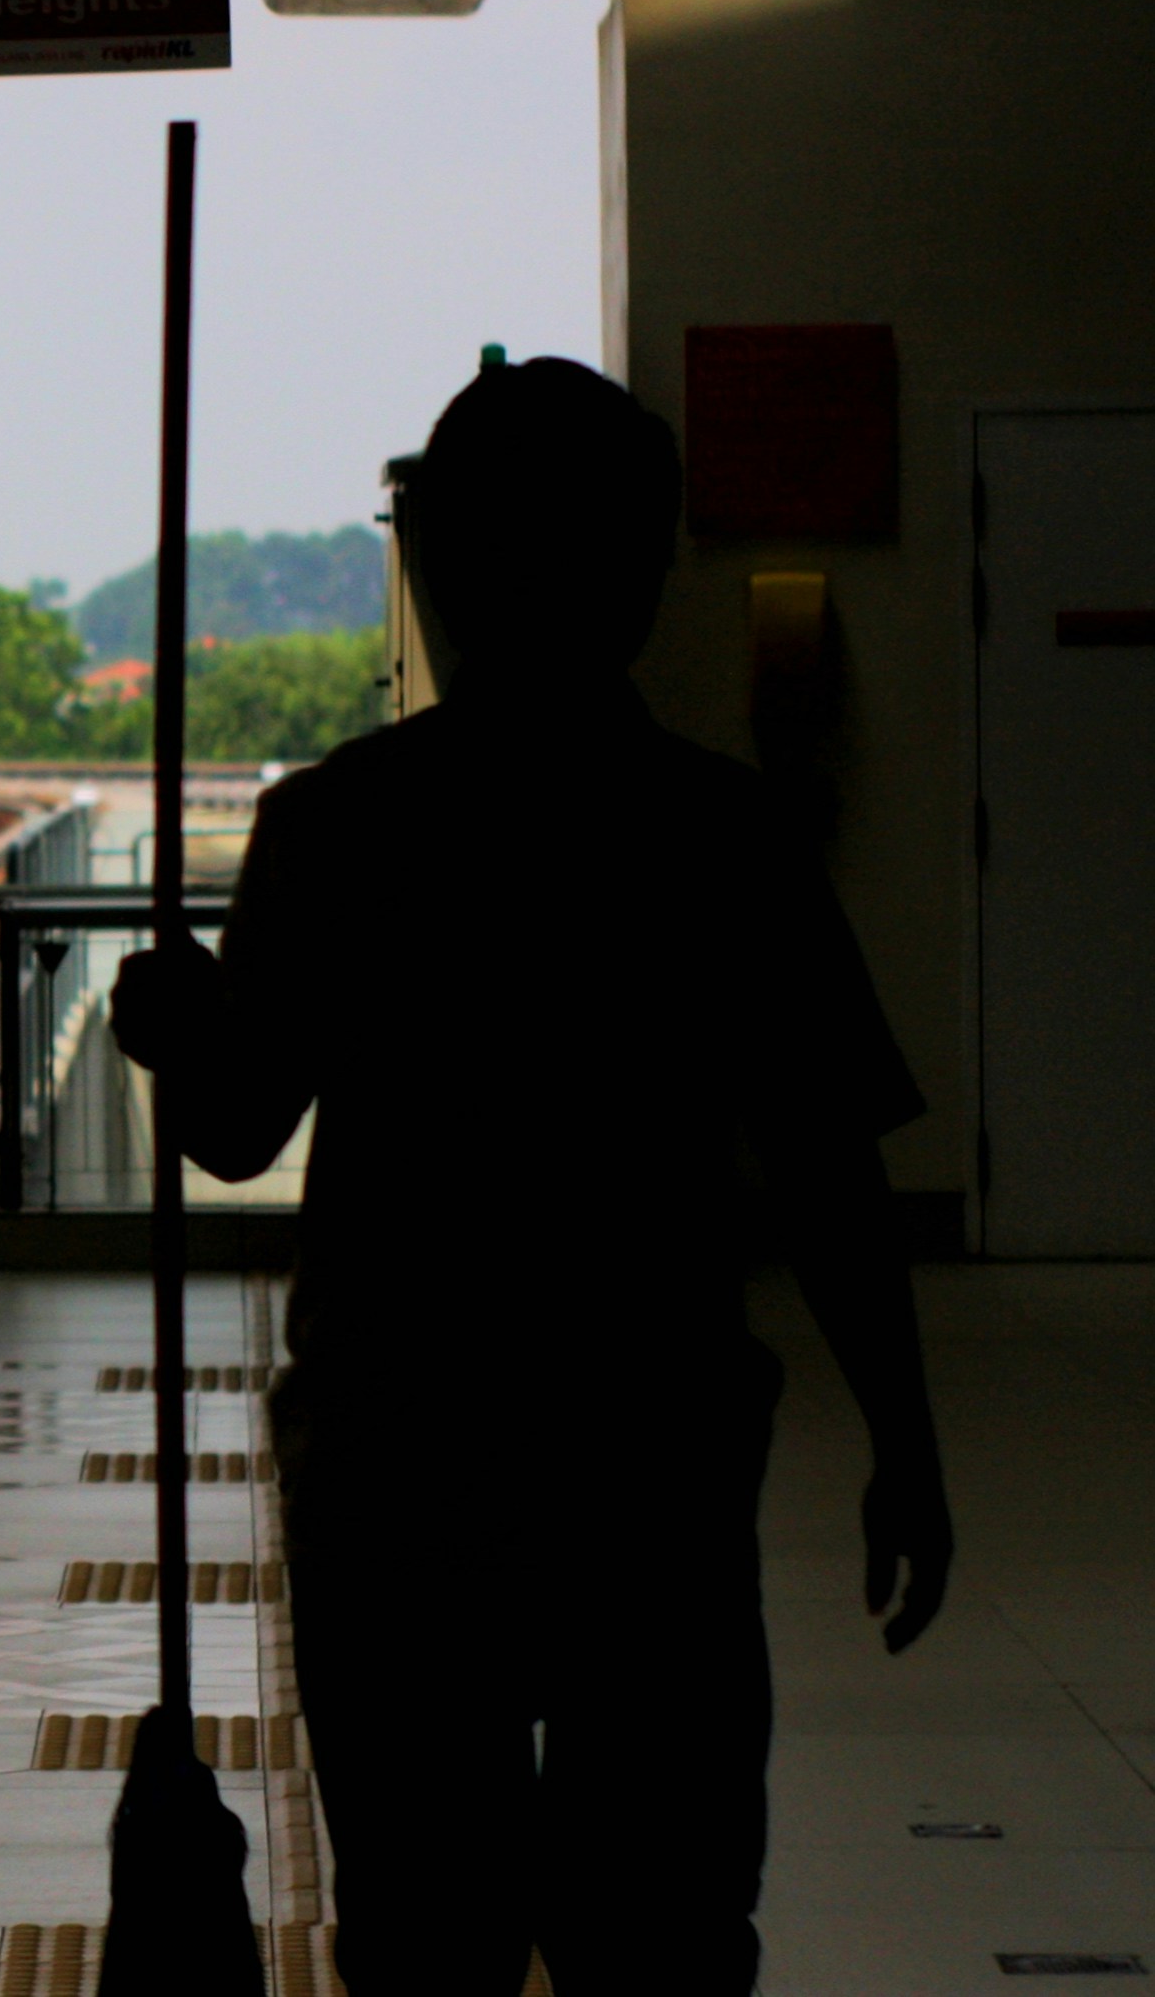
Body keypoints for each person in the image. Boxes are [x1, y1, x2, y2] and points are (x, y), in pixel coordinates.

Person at [114, 356, 951, 1997]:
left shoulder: (338, 826)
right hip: (650, 1462)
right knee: (664, 1923)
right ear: (637, 574)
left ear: (439, 568)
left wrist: (173, 1024)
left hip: (397, 1467)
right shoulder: (722, 835)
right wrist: (903, 1443)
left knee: (426, 1924)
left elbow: (231, 1127)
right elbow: (828, 1171)